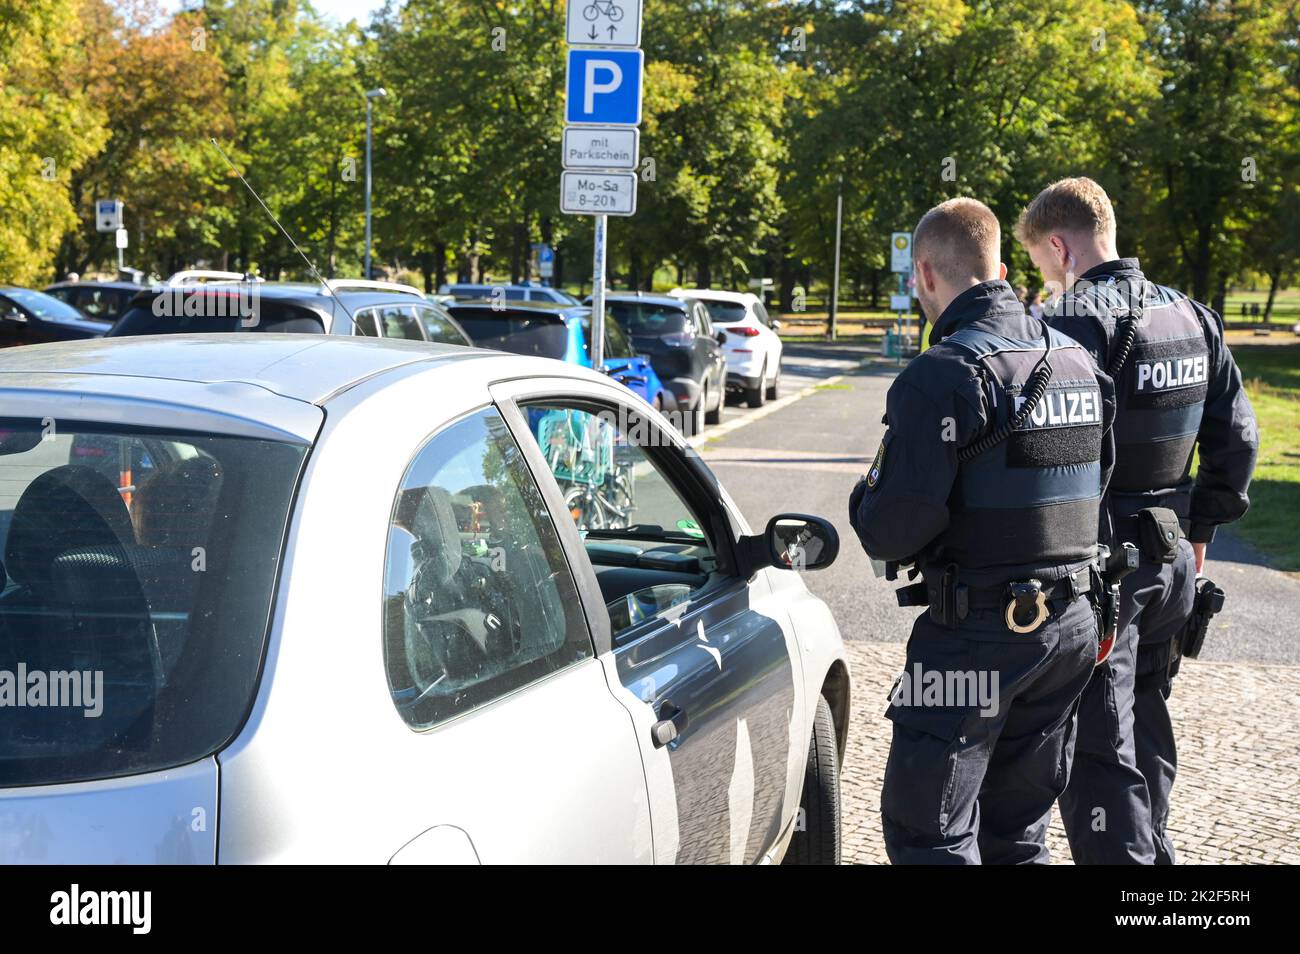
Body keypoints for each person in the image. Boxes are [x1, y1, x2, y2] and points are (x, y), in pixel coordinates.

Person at [849, 197, 1117, 864]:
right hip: (1070, 632)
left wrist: (863, 497)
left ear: (924, 276)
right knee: (1017, 829)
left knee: (929, 830)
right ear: (998, 267)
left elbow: (890, 530)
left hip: (975, 637)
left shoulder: (942, 375)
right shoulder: (1079, 359)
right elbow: (1100, 487)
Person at [1016, 176, 1258, 864]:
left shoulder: (1069, 323)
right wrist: (1201, 534)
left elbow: (1040, 454)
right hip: (1174, 557)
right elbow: (1237, 441)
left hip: (1102, 566)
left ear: (1059, 247)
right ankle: (1160, 858)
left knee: (1099, 745)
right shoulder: (1191, 316)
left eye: (1040, 264)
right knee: (1146, 722)